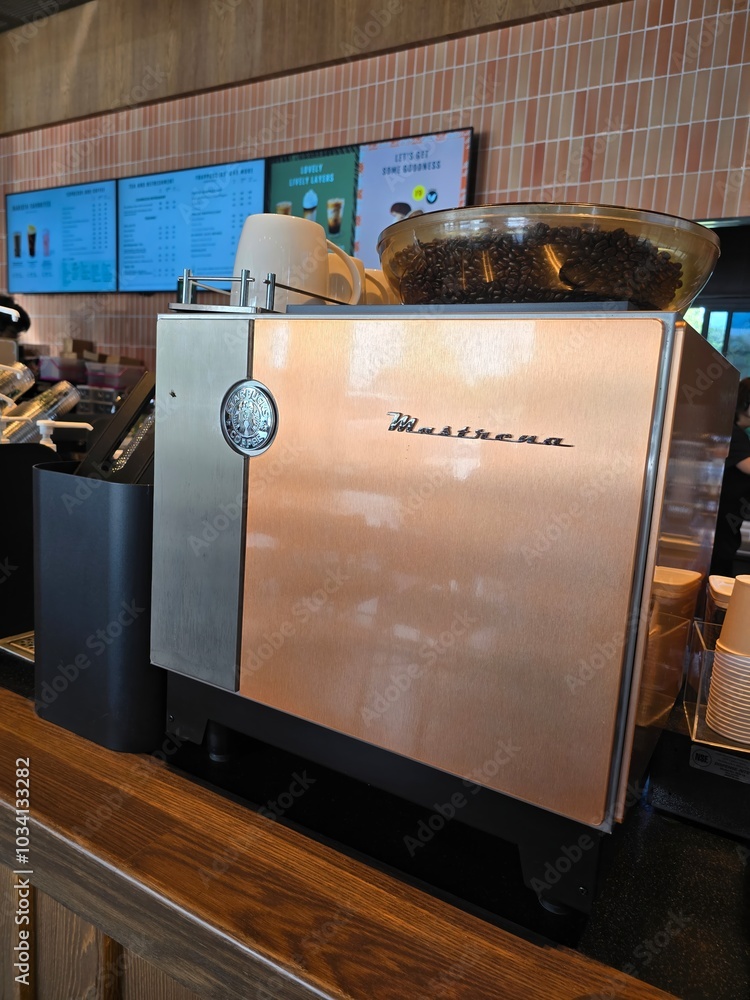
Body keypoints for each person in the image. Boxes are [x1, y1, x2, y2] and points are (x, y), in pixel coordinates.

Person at [710, 376, 750, 577]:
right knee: (719, 573)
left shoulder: (737, 434)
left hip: (729, 520)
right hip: (723, 521)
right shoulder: (734, 435)